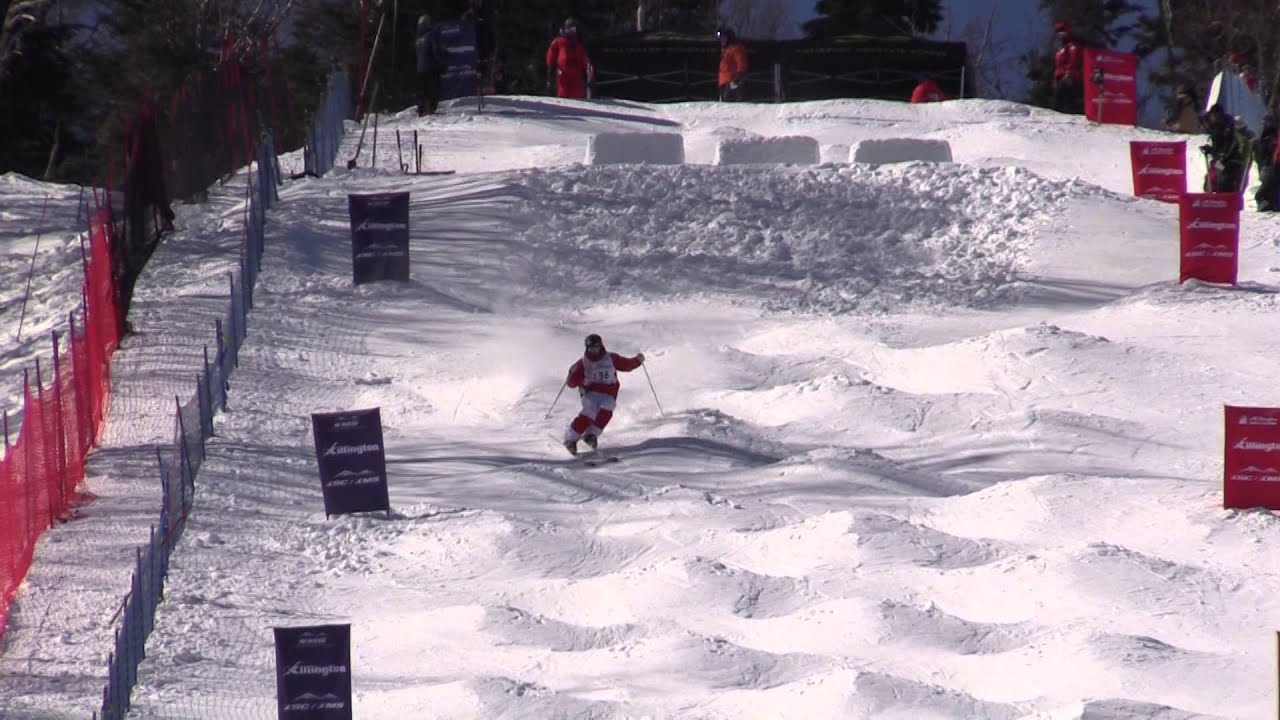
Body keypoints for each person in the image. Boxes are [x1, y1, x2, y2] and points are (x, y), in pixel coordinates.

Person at [562, 333, 644, 455]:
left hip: (609, 393)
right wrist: (572, 374)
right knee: (590, 411)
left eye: (596, 347)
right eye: (591, 348)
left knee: (608, 408)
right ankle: (571, 438)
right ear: (587, 348)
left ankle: (591, 434)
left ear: (601, 346)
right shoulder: (583, 363)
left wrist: (637, 360)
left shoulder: (611, 358)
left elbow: (626, 365)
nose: (594, 350)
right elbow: (571, 384)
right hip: (590, 392)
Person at [1201, 104, 1249, 193]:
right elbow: (1219, 149)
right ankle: (1212, 197)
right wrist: (1210, 150)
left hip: (1232, 162)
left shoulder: (1228, 129)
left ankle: (1222, 198)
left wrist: (1215, 153)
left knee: (1221, 176)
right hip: (1222, 161)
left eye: (1213, 116)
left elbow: (1228, 149)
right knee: (1211, 176)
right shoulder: (1217, 129)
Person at [545, 17, 593, 99]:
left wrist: (586, 71)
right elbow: (551, 57)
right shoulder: (558, 41)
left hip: (576, 74)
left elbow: (583, 58)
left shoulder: (578, 44)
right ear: (565, 29)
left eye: (574, 29)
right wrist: (551, 70)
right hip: (563, 73)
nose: (572, 31)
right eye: (570, 29)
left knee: (577, 96)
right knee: (563, 95)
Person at [414, 14, 447, 116]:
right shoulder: (432, 35)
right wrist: (442, 64)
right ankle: (430, 109)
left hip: (420, 68)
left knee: (422, 90)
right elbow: (436, 50)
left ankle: (421, 108)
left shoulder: (418, 39)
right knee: (433, 89)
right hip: (432, 67)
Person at [463, 0, 497, 94]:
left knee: (486, 72)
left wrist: (493, 47)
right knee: (475, 74)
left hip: (485, 49)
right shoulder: (468, 16)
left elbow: (491, 32)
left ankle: (487, 91)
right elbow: (463, 33)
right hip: (472, 50)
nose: (479, 2)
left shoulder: (486, 14)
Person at [1051, 21, 1084, 114]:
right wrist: (1054, 78)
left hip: (1068, 76)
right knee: (1058, 98)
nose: (1060, 34)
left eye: (1062, 31)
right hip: (1060, 75)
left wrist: (1069, 72)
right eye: (1058, 32)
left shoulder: (1072, 45)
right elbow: (1058, 64)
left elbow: (1075, 58)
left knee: (1064, 98)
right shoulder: (1061, 48)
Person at [717, 27, 748, 102]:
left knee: (730, 106)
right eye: (720, 38)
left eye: (724, 38)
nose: (722, 40)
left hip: (732, 82)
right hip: (723, 82)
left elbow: (742, 65)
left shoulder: (736, 49)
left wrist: (736, 80)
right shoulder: (726, 50)